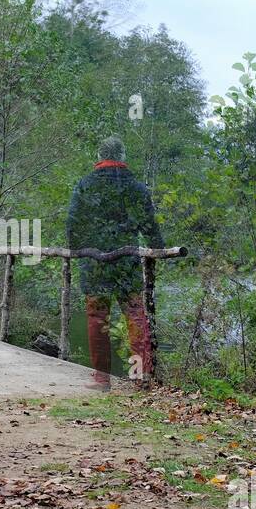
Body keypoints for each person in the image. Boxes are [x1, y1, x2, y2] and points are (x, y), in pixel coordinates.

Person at [65, 135, 164, 389]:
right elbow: (149, 224)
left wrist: (78, 249)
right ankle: (141, 376)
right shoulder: (136, 186)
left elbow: (73, 223)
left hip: (94, 261)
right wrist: (157, 248)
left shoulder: (85, 185)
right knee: (134, 314)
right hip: (126, 260)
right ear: (122, 156)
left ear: (99, 155)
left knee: (97, 318)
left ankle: (101, 378)